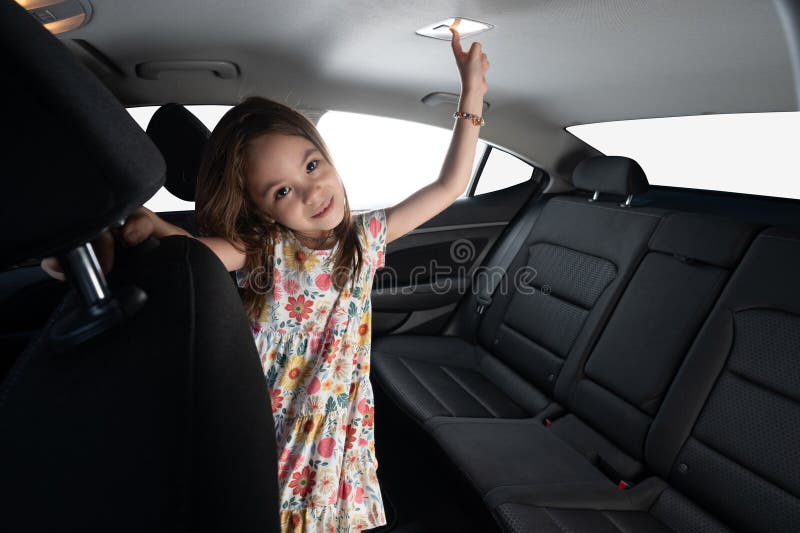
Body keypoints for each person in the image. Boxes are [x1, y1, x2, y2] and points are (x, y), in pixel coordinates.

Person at [44, 28, 488, 532]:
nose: (312, 190)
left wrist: (470, 93)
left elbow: (451, 185)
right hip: (277, 424)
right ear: (259, 210)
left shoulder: (365, 237)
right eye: (282, 191)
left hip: (339, 424)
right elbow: (185, 251)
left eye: (313, 165)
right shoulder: (264, 249)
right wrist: (134, 224)